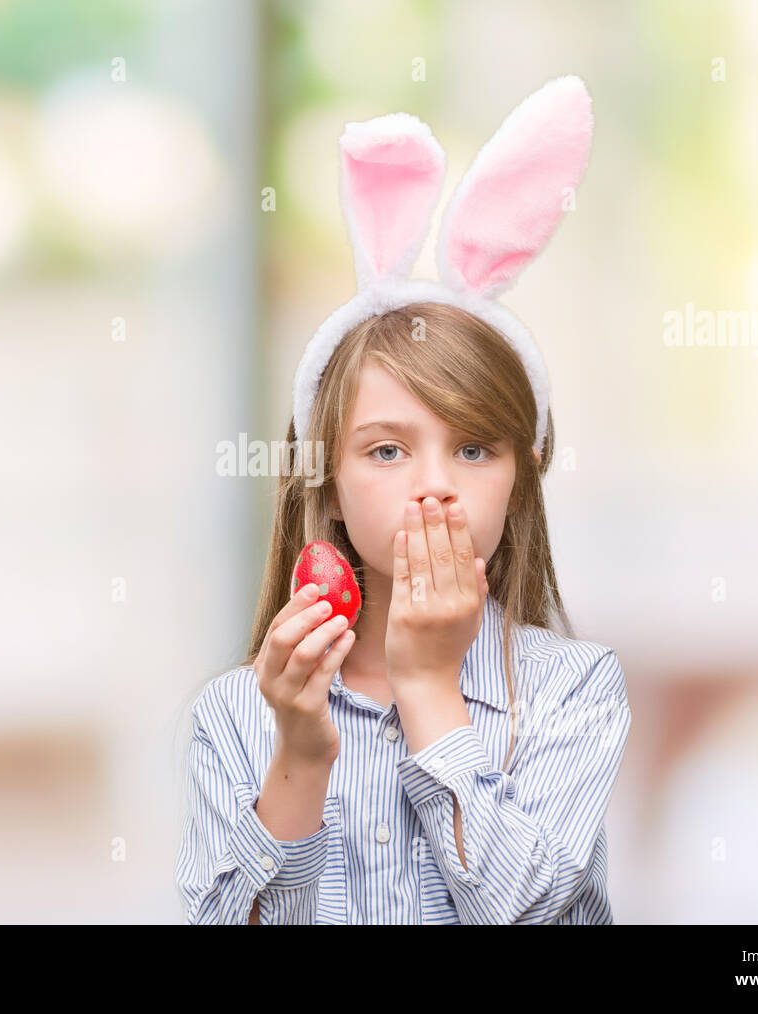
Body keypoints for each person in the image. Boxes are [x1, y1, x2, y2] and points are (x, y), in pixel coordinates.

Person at [175, 76, 631, 924]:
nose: (434, 483)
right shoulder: (241, 713)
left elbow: (528, 909)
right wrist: (301, 758)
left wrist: (428, 685)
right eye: (386, 450)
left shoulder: (575, 693)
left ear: (523, 472)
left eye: (472, 448)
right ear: (331, 485)